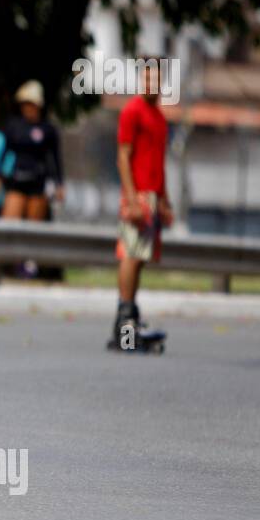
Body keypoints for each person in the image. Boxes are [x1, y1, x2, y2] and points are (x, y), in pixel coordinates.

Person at [110, 60, 173, 352]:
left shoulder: (159, 117)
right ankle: (125, 316)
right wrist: (133, 199)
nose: (150, 84)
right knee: (131, 254)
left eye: (155, 80)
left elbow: (160, 162)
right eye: (146, 78)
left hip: (152, 195)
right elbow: (123, 156)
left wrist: (164, 200)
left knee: (141, 257)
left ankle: (130, 318)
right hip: (136, 194)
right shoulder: (132, 111)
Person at [0, 80, 64, 278]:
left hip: (38, 182)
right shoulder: (14, 126)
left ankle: (30, 266)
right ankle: (10, 265)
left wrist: (59, 184)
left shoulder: (47, 129)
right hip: (17, 180)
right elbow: (4, 153)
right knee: (10, 223)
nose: (29, 108)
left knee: (34, 228)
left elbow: (55, 159)